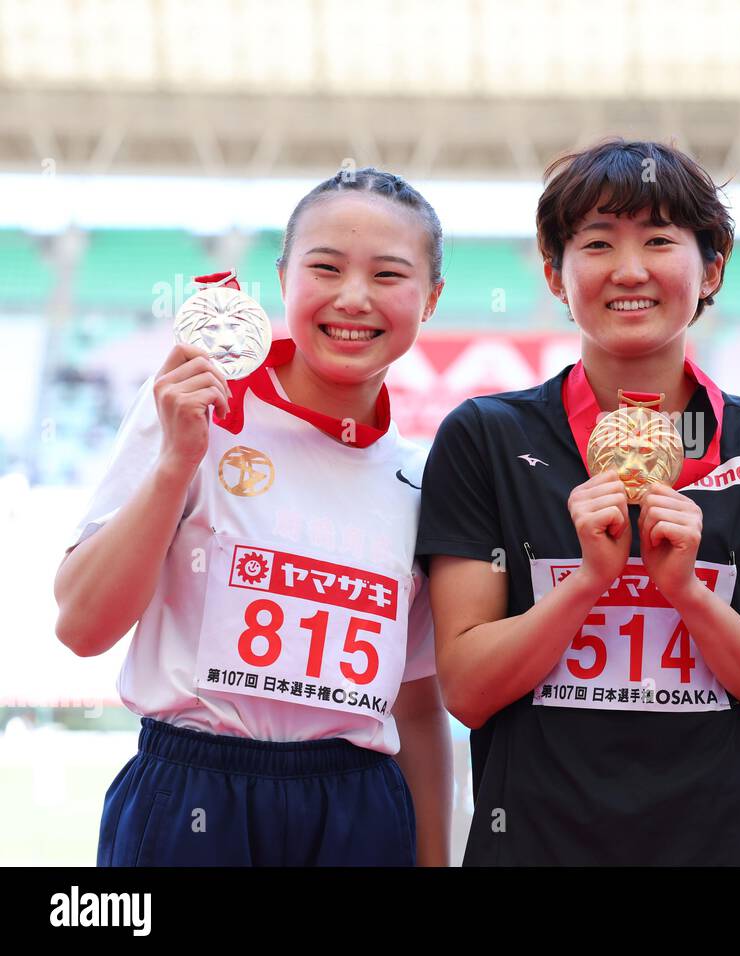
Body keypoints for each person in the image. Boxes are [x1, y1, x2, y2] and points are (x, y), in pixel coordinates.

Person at [417, 139, 740, 865]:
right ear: (555, 274)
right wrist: (587, 583)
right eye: (596, 243)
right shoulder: (485, 438)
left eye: (659, 240)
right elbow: (466, 688)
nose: (629, 269)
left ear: (711, 267)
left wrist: (686, 592)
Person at [54, 168, 453, 866]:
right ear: (284, 278)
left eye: (389, 274)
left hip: (358, 809)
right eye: (325, 267)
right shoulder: (190, 407)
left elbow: (419, 710)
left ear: (432, 299)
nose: (353, 297)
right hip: (190, 797)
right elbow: (82, 627)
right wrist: (178, 463)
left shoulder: (422, 481)